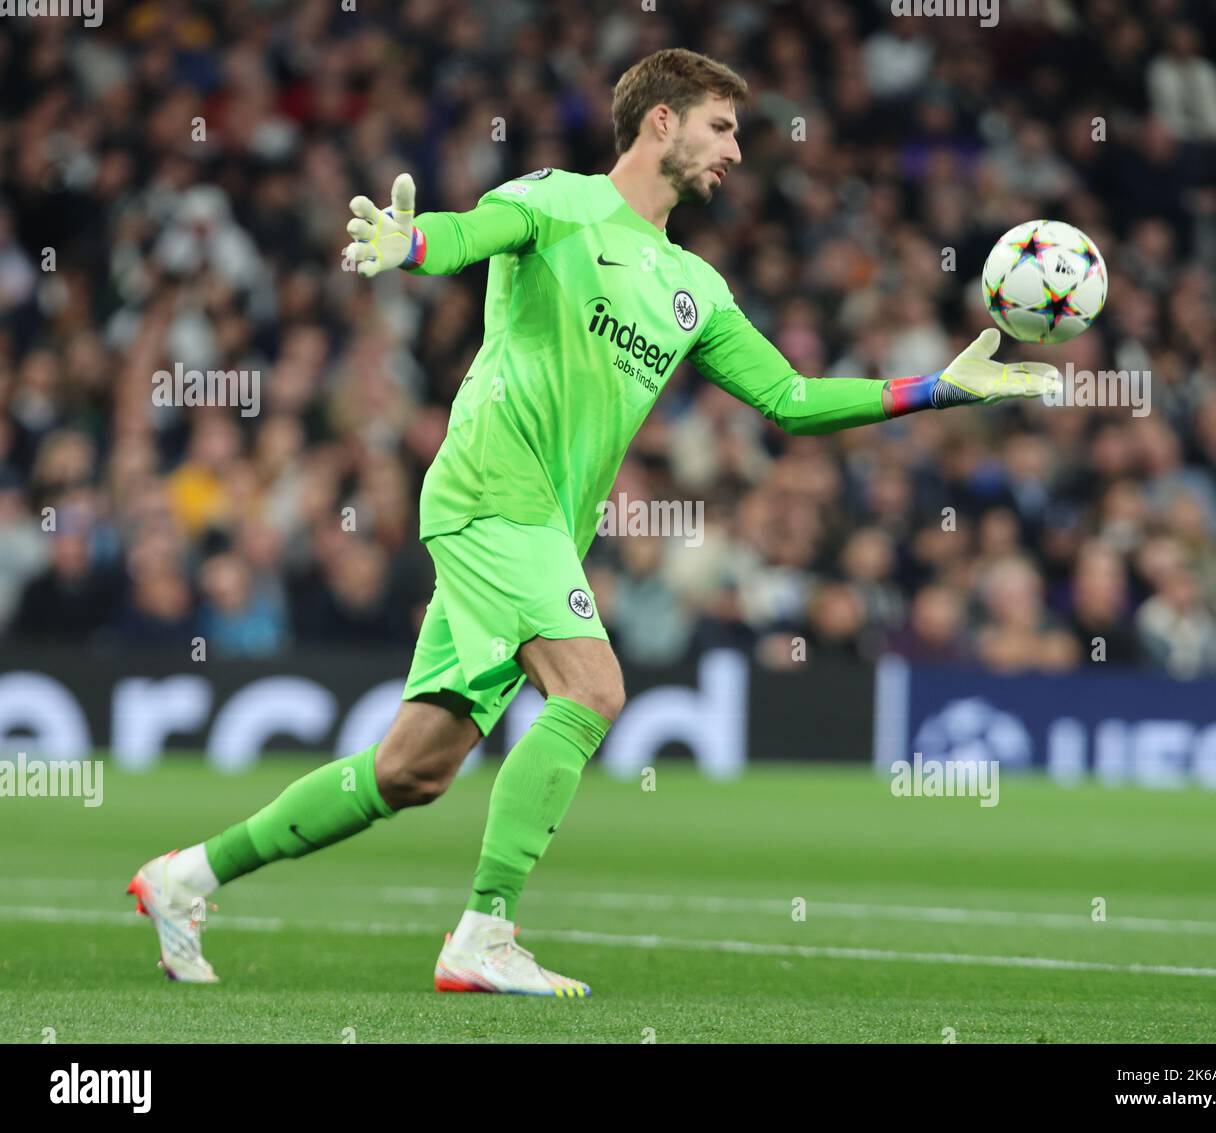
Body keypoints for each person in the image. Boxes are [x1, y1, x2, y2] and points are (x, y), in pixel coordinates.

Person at [127, 47, 1058, 997]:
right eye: (723, 127)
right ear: (662, 121)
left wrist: (935, 387)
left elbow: (792, 396)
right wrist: (410, 245)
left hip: (540, 527)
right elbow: (468, 232)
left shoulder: (695, 286)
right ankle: (484, 932)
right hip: (492, 492)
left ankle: (184, 877)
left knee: (410, 770)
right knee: (595, 688)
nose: (737, 151)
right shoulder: (559, 202)